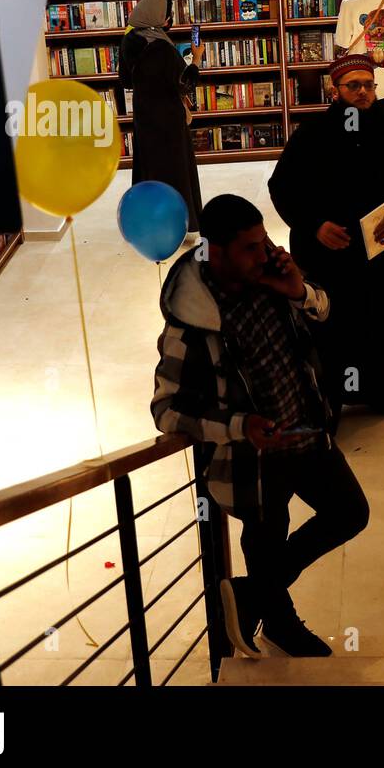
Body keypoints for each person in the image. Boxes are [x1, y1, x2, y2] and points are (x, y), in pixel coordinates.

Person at [152, 194, 368, 657]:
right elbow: (166, 410)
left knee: (351, 513)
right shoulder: (191, 325)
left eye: (263, 240)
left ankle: (252, 595)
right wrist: (238, 425)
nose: (265, 252)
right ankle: (279, 621)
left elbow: (325, 310)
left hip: (309, 433)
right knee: (266, 540)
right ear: (214, 251)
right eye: (250, 247)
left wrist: (298, 290)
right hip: (253, 460)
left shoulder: (270, 277)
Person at [268, 53, 384, 428]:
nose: (362, 93)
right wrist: (314, 225)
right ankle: (333, 399)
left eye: (368, 85)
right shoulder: (310, 136)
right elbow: (282, 188)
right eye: (353, 86)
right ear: (335, 90)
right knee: (333, 330)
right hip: (331, 258)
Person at [120, 0, 204, 232]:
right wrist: (196, 59)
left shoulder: (128, 40)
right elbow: (185, 83)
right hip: (167, 117)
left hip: (144, 116)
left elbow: (126, 80)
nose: (169, 19)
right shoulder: (162, 47)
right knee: (176, 170)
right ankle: (180, 222)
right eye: (167, 14)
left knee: (150, 168)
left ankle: (149, 222)